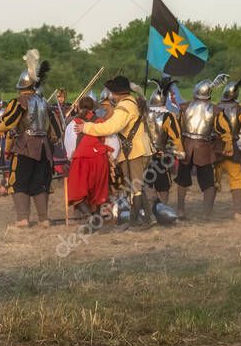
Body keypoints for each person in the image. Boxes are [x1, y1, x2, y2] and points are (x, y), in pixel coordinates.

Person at [0, 50, 57, 228]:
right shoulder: (43, 102)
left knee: (18, 182)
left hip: (25, 147)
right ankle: (43, 219)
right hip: (43, 149)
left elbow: (9, 122)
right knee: (39, 183)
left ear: (21, 87)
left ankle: (22, 219)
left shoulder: (18, 102)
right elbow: (51, 128)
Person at [79, 75, 156, 230]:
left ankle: (137, 222)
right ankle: (146, 219)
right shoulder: (132, 102)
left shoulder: (124, 107)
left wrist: (86, 127)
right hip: (137, 149)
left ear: (118, 93)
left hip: (136, 151)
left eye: (113, 93)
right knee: (136, 186)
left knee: (135, 187)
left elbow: (110, 127)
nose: (111, 96)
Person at [175, 76, 233, 221]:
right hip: (204, 148)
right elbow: (225, 130)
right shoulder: (215, 110)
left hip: (186, 146)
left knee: (182, 180)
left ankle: (181, 210)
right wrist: (228, 145)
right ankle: (206, 214)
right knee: (208, 181)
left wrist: (176, 145)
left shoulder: (184, 107)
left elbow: (177, 128)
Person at [64, 96, 114, 222]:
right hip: (100, 159)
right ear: (93, 108)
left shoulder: (73, 124)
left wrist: (72, 157)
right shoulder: (101, 122)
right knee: (98, 190)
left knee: (77, 190)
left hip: (81, 160)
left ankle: (88, 215)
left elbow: (70, 148)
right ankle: (95, 217)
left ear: (79, 107)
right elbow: (111, 141)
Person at [216, 77, 241, 217]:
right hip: (232, 148)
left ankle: (207, 212)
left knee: (214, 179)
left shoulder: (214, 108)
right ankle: (238, 212)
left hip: (216, 148)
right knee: (237, 178)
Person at [145, 77, 183, 205]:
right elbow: (176, 135)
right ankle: (162, 208)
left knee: (147, 182)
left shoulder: (144, 114)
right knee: (163, 185)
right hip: (161, 154)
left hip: (144, 154)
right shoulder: (168, 116)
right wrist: (180, 151)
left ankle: (151, 208)